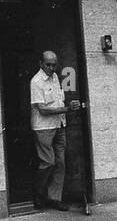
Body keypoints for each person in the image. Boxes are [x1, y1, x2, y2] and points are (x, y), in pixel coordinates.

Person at [31, 50, 81, 211]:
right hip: (44, 128)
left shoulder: (55, 78)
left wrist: (68, 108)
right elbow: (42, 110)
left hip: (59, 126)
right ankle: (38, 195)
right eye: (48, 64)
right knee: (48, 162)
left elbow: (59, 99)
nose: (52, 68)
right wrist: (66, 109)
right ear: (41, 63)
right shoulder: (36, 82)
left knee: (60, 163)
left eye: (54, 64)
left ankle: (54, 198)